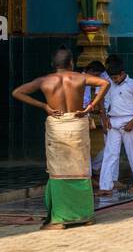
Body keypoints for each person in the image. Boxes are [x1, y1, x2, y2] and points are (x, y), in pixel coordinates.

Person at [12, 47, 109, 229]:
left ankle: (59, 219)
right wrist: (91, 106)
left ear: (52, 64)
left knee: (58, 171)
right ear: (71, 63)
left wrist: (44, 106)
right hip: (77, 123)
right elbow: (105, 83)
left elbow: (17, 92)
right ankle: (85, 215)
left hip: (57, 126)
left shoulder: (44, 80)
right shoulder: (80, 78)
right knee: (81, 169)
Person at [96, 56, 133, 196]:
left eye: (116, 78)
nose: (114, 80)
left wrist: (132, 122)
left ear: (122, 73)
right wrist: (104, 118)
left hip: (129, 121)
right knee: (110, 154)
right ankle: (105, 186)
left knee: (132, 152)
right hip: (113, 121)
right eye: (112, 78)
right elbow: (100, 100)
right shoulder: (108, 84)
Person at [83, 59, 110, 176]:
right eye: (96, 75)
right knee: (83, 146)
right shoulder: (80, 80)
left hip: (86, 113)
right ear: (90, 71)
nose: (97, 78)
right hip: (79, 114)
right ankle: (89, 173)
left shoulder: (90, 82)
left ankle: (91, 171)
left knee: (86, 145)